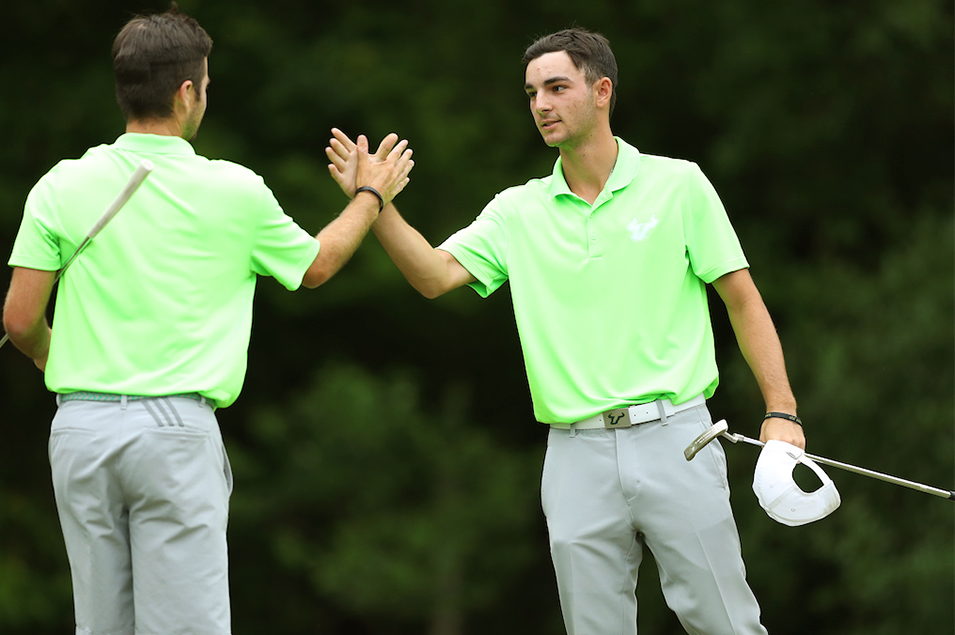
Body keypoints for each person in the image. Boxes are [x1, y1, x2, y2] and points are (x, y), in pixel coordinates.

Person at [327, 28, 804, 635]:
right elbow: (433, 276)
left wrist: (781, 409)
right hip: (574, 455)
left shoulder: (678, 184)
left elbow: (742, 299)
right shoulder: (517, 210)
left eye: (557, 88)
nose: (541, 105)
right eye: (531, 94)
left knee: (726, 624)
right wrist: (375, 202)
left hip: (678, 436)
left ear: (601, 91)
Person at [2, 7, 412, 635]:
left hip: (79, 427)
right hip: (172, 429)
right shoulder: (234, 190)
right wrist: (370, 196)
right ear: (187, 91)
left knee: (100, 625)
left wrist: (50, 358)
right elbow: (317, 266)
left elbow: (21, 318)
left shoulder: (62, 184)